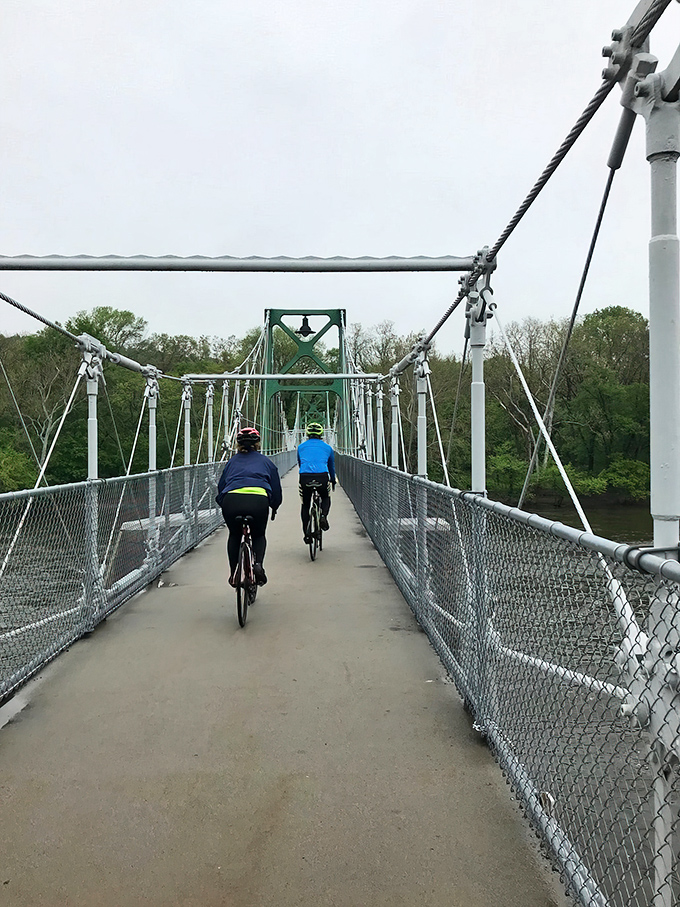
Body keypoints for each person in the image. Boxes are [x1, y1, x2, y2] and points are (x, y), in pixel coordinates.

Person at [215, 427, 282, 587]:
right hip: (258, 501)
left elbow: (221, 486)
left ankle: (233, 574)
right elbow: (276, 489)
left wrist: (223, 503)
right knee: (258, 535)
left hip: (231, 500)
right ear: (258, 444)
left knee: (234, 535)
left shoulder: (231, 462)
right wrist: (274, 506)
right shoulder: (266, 462)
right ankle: (258, 564)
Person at [297, 422, 336, 543]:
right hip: (322, 477)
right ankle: (323, 516)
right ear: (321, 435)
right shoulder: (328, 448)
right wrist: (333, 480)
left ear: (307, 434)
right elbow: (331, 466)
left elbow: (300, 463)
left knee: (305, 504)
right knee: (325, 497)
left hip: (305, 477)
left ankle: (306, 534)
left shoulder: (301, 447)